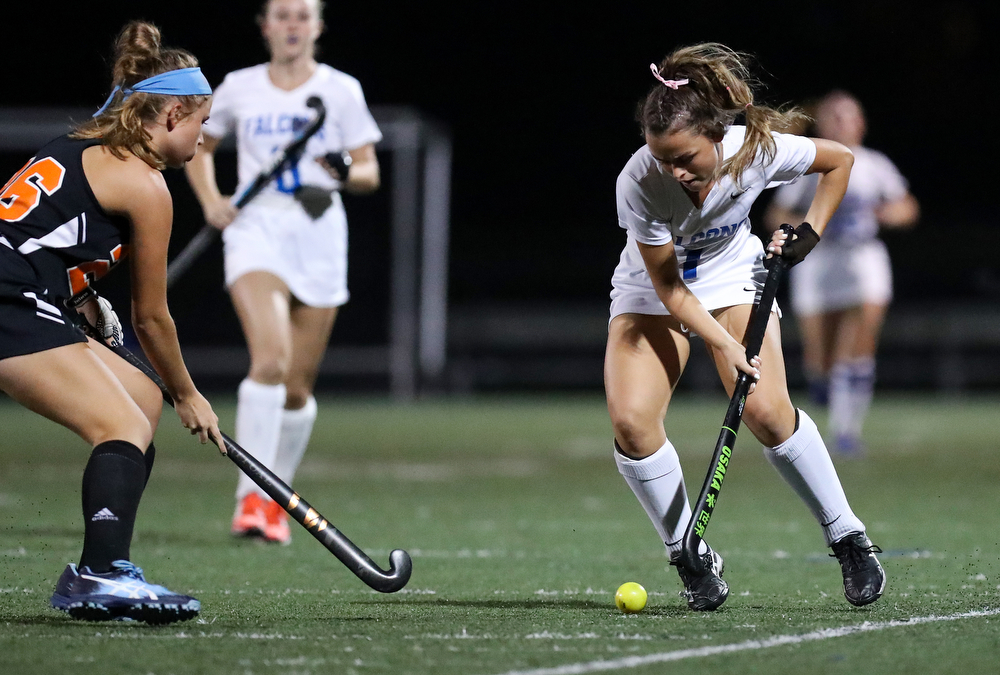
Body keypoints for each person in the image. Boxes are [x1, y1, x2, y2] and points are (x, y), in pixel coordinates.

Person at [606, 43, 885, 612]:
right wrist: (727, 345)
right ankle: (688, 552)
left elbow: (838, 162)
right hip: (657, 289)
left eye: (685, 157)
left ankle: (848, 536)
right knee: (632, 424)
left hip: (730, 273)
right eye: (663, 159)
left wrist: (810, 231)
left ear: (715, 135)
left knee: (764, 411)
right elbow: (670, 290)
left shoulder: (756, 151)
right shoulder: (639, 181)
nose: (674, 171)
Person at [0, 21, 222, 624]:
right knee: (125, 418)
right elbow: (151, 318)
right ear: (173, 113)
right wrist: (189, 393)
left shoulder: (79, 145)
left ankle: (108, 565)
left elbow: (40, 239)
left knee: (136, 399)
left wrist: (80, 298)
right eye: (202, 122)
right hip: (10, 304)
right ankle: (99, 577)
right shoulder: (147, 186)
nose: (205, 138)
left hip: (22, 296)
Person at [184, 0, 382, 545]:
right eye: (282, 14)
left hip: (318, 236)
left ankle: (277, 498)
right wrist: (211, 200)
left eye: (303, 15)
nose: (292, 24)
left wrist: (342, 169)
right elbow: (200, 143)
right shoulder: (240, 86)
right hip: (257, 234)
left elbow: (369, 171)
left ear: (318, 26)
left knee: (296, 388)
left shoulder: (340, 89)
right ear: (266, 26)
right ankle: (250, 500)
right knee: (269, 360)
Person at [764, 90, 919, 455]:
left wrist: (887, 215)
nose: (840, 123)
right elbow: (776, 213)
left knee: (860, 342)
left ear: (861, 123)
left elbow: (906, 207)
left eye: (847, 115)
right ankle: (823, 387)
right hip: (819, 262)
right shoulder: (812, 164)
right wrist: (803, 228)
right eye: (832, 116)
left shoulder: (874, 165)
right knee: (821, 359)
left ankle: (847, 431)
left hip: (863, 259)